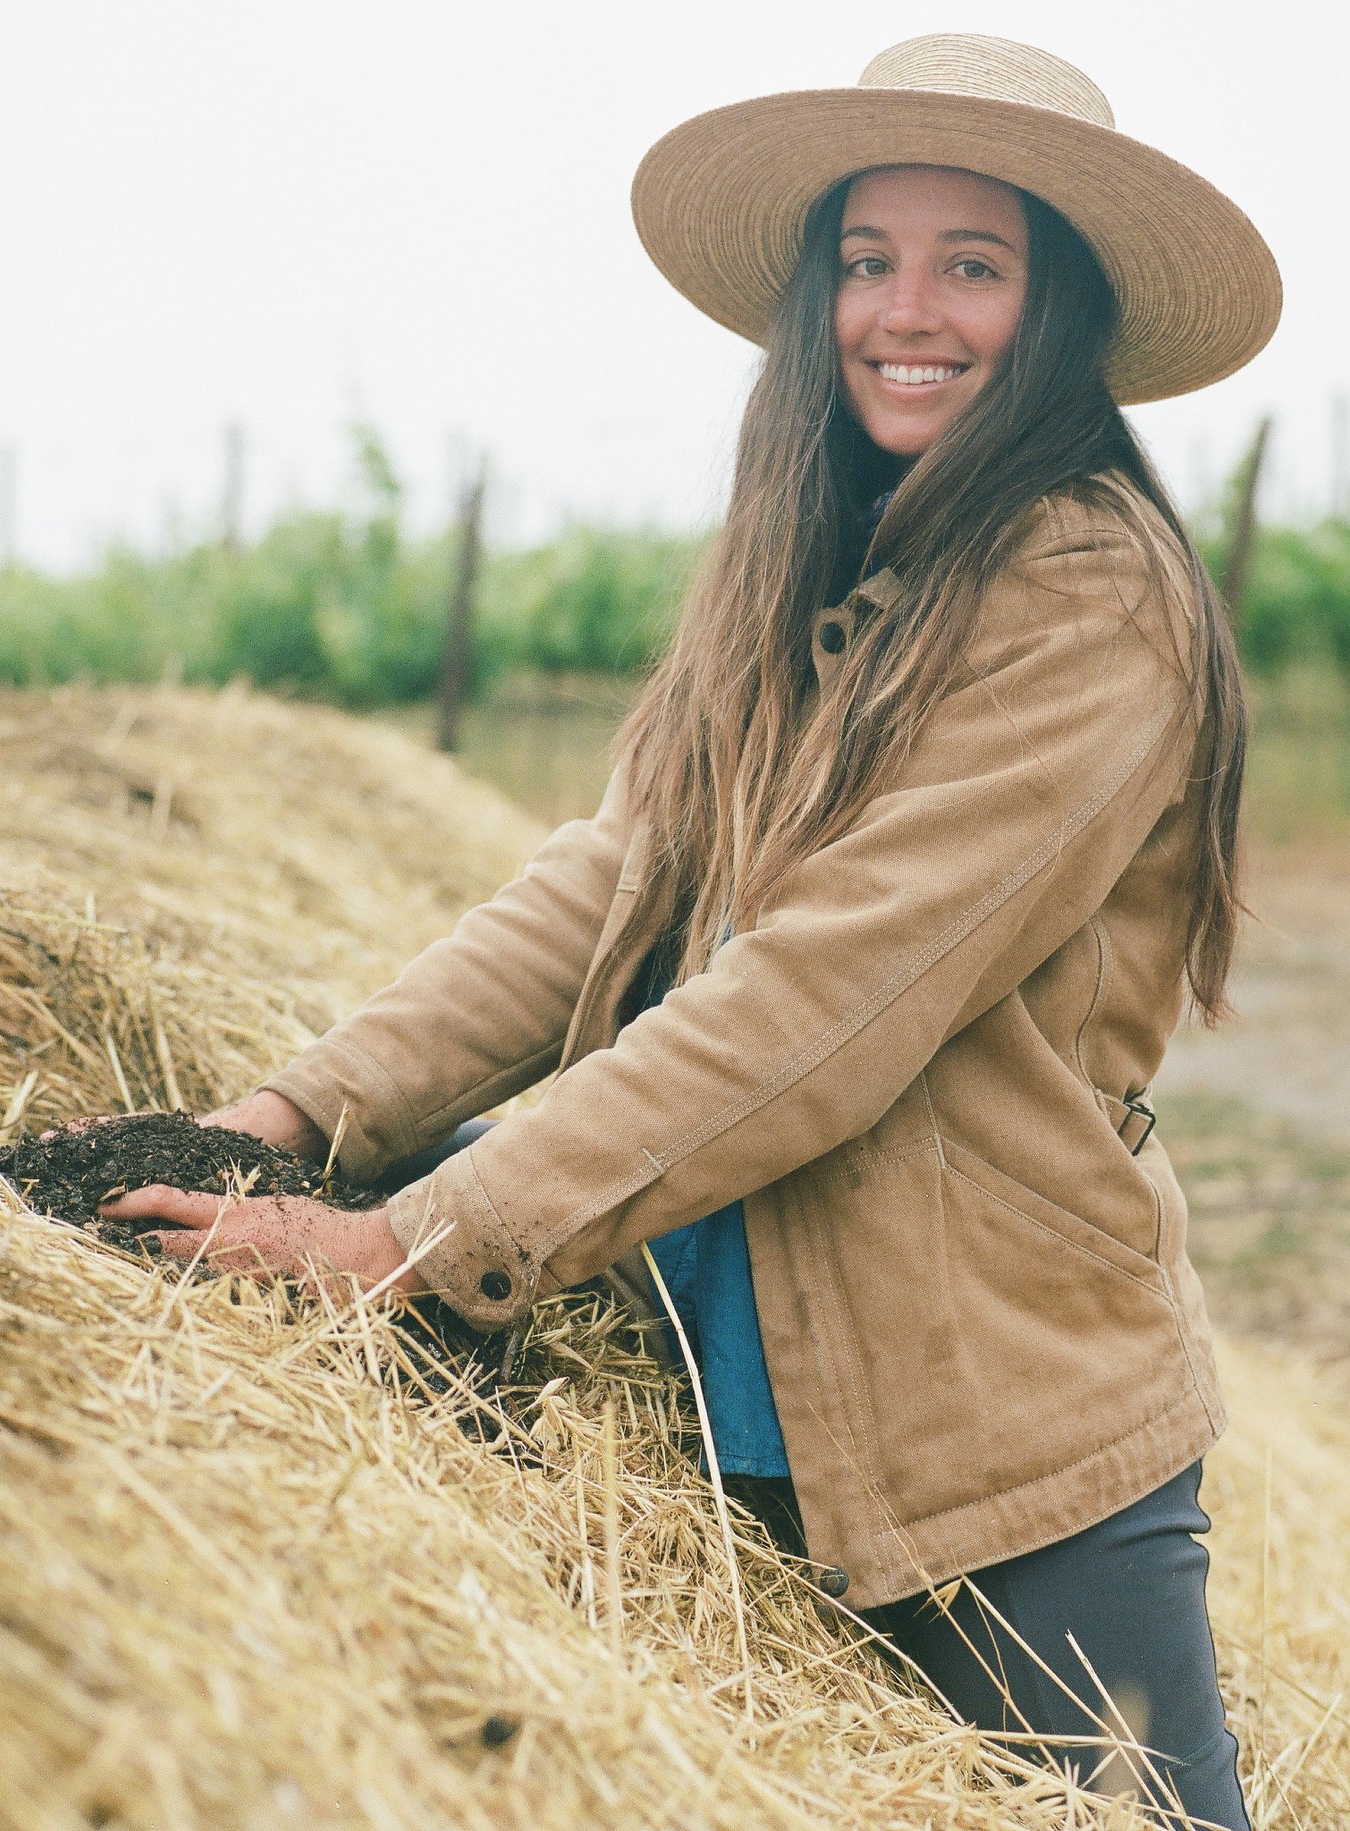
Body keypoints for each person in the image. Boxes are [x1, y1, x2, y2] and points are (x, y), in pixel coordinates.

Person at [100, 33, 1278, 1823]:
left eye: (976, 264)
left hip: (990, 1394)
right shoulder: (808, 549)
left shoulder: (1088, 591)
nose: (910, 309)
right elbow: (615, 875)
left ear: (1055, 313)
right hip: (738, 1327)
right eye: (870, 260)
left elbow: (834, 992)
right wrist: (298, 1121)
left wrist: (412, 1245)